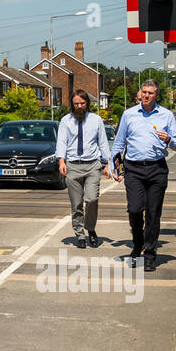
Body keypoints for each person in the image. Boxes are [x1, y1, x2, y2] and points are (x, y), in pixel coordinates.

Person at [110, 79, 176, 272]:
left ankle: (150, 254)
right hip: (133, 169)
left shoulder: (166, 115)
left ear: (156, 95)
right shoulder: (129, 114)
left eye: (150, 93)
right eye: (144, 92)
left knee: (152, 213)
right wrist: (113, 164)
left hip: (157, 168)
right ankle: (138, 242)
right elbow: (119, 142)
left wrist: (169, 139)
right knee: (134, 209)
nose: (146, 95)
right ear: (140, 93)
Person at [55, 89, 112, 248]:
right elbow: (62, 142)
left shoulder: (96, 120)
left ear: (87, 103)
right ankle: (79, 234)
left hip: (92, 165)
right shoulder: (65, 121)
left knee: (92, 199)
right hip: (73, 166)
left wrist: (108, 163)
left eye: (82, 103)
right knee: (77, 204)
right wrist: (61, 161)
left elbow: (102, 142)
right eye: (76, 104)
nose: (79, 106)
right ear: (72, 105)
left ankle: (91, 228)